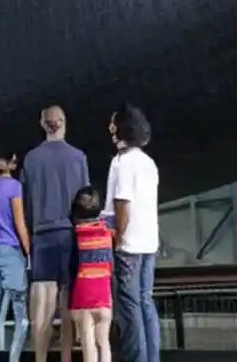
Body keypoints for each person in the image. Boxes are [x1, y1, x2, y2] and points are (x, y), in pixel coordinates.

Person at [21, 105, 89, 362]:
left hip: (42, 236)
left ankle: (40, 358)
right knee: (69, 303)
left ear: (43, 124)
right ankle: (66, 357)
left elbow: (26, 203)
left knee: (42, 307)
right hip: (71, 235)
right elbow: (85, 201)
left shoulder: (30, 159)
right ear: (63, 123)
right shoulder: (78, 158)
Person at [102, 103, 160, 362]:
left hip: (129, 244)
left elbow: (122, 203)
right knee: (146, 301)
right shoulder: (148, 163)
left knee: (129, 307)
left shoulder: (122, 162)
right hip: (149, 242)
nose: (110, 127)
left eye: (114, 122)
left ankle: (136, 358)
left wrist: (118, 239)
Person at [0, 145, 31, 362]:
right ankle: (13, 359)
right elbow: (19, 223)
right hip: (10, 251)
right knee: (21, 313)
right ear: (7, 162)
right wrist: (28, 250)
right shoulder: (14, 187)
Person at [68, 186, 114, 362]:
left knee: (88, 342)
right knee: (104, 342)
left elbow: (72, 268)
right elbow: (110, 265)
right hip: (104, 294)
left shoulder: (76, 235)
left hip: (84, 296)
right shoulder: (107, 233)